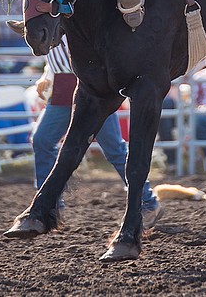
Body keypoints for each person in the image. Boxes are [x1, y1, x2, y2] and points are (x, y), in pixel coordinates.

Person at [32, 34, 162, 226]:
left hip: (91, 90)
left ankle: (148, 202)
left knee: (114, 149)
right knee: (42, 140)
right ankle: (49, 203)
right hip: (63, 87)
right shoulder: (52, 21)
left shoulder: (74, 18)